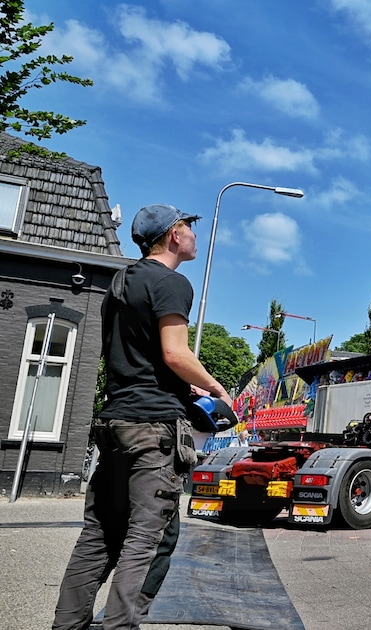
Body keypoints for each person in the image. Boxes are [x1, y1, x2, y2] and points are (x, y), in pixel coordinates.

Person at [54, 204, 236, 630]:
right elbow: (175, 353)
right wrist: (214, 388)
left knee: (97, 535)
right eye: (189, 227)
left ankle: (66, 626)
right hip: (153, 429)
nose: (194, 234)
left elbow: (137, 357)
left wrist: (178, 385)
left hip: (115, 421)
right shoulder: (172, 282)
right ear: (174, 234)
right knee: (146, 540)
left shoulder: (119, 283)